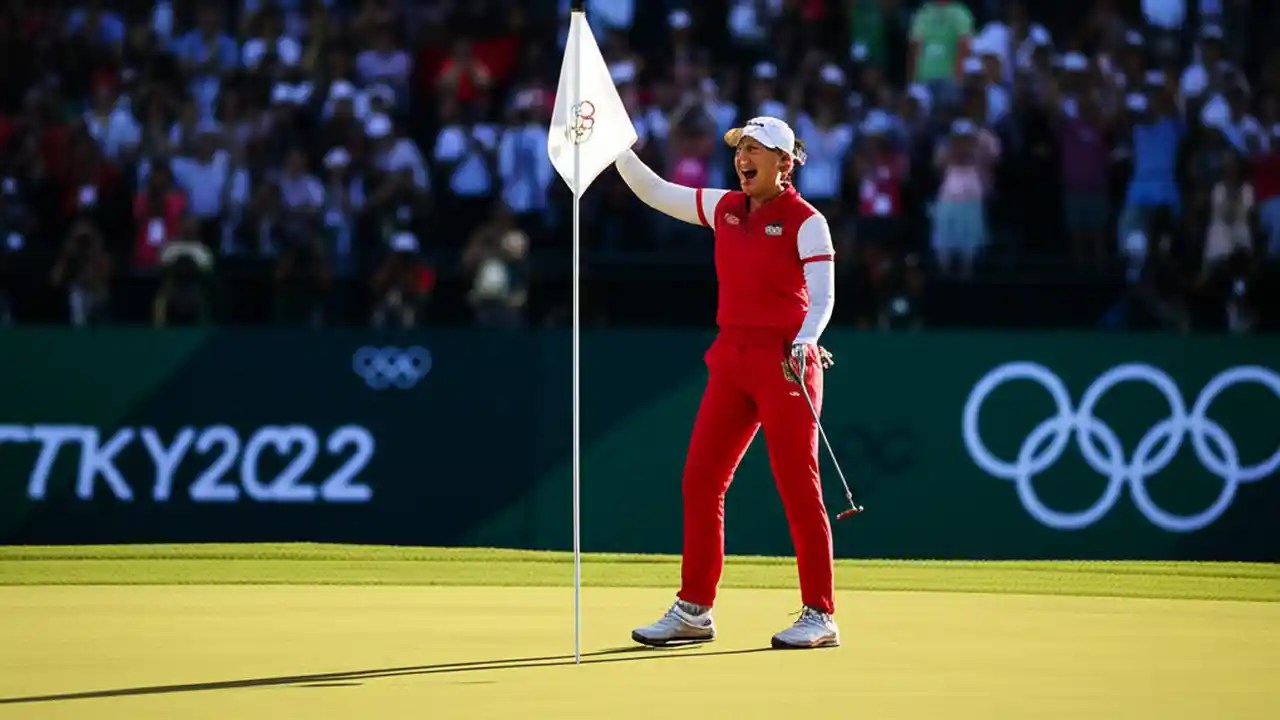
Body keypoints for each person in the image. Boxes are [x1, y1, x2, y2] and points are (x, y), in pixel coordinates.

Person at [612, 116, 840, 650]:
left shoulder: (807, 219)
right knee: (701, 480)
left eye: (756, 149)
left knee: (798, 487)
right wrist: (615, 149)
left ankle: (821, 614)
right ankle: (694, 609)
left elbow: (823, 294)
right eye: (741, 149)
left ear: (785, 164)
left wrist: (806, 339)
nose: (744, 157)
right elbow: (654, 190)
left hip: (785, 361)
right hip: (732, 360)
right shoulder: (725, 207)